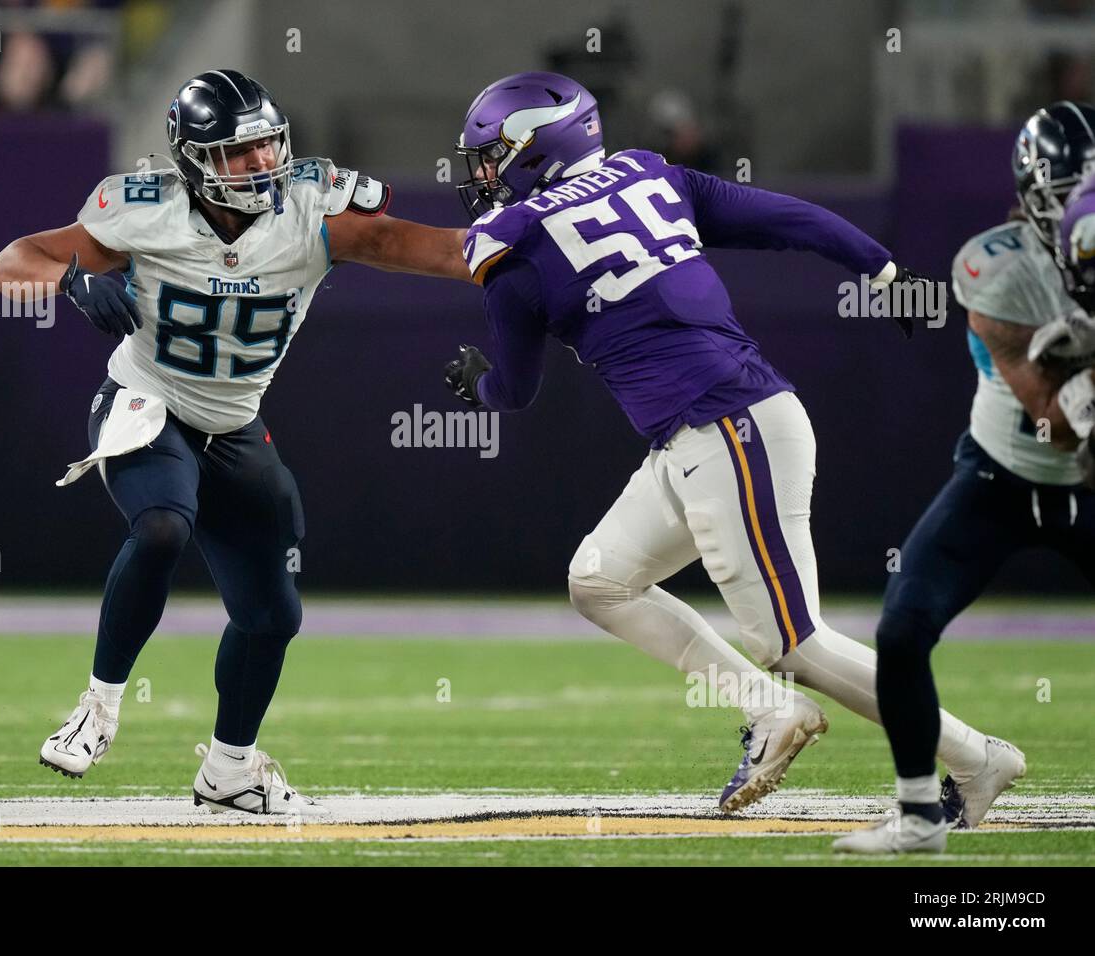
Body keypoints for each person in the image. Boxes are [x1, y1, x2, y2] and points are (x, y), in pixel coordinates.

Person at [443, 70, 999, 816]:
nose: (481, 177)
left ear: (532, 149)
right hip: (713, 431)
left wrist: (476, 384)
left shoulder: (515, 250)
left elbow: (514, 391)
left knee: (794, 642)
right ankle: (772, 712)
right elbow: (788, 217)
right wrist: (882, 266)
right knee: (600, 580)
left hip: (730, 428)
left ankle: (976, 757)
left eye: (488, 157)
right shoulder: (650, 175)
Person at [0, 69, 469, 816]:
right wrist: (72, 281)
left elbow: (437, 251)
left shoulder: (312, 210)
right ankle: (99, 706)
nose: (261, 164)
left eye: (268, 145)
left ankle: (230, 771)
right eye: (238, 153)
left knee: (274, 615)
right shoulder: (145, 211)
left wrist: (522, 254)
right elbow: (10, 262)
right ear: (193, 161)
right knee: (160, 525)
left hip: (234, 424)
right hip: (147, 399)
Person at [837, 102, 1095, 854]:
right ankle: (921, 815)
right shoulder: (999, 266)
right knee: (901, 629)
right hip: (1004, 474)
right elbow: (1050, 420)